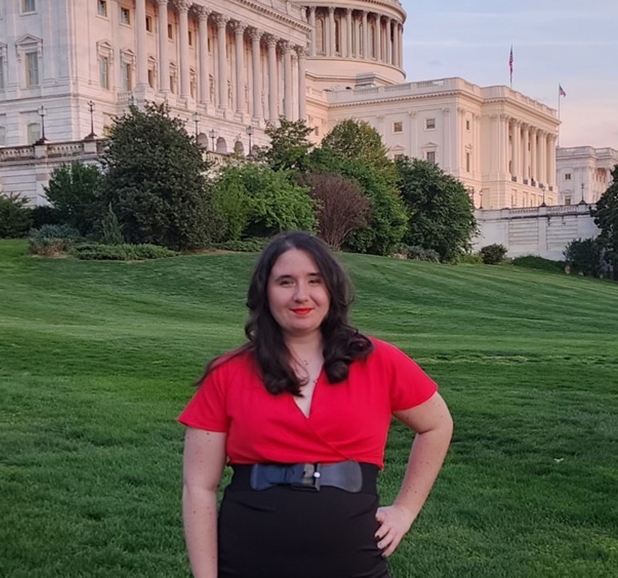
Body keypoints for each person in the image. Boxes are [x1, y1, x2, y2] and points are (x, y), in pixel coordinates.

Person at [179, 231, 453, 578]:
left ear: (331, 289)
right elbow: (199, 487)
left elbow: (437, 424)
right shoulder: (228, 374)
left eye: (314, 280)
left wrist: (405, 510)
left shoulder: (378, 361)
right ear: (265, 291)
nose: (301, 295)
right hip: (248, 561)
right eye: (285, 282)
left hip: (354, 564)